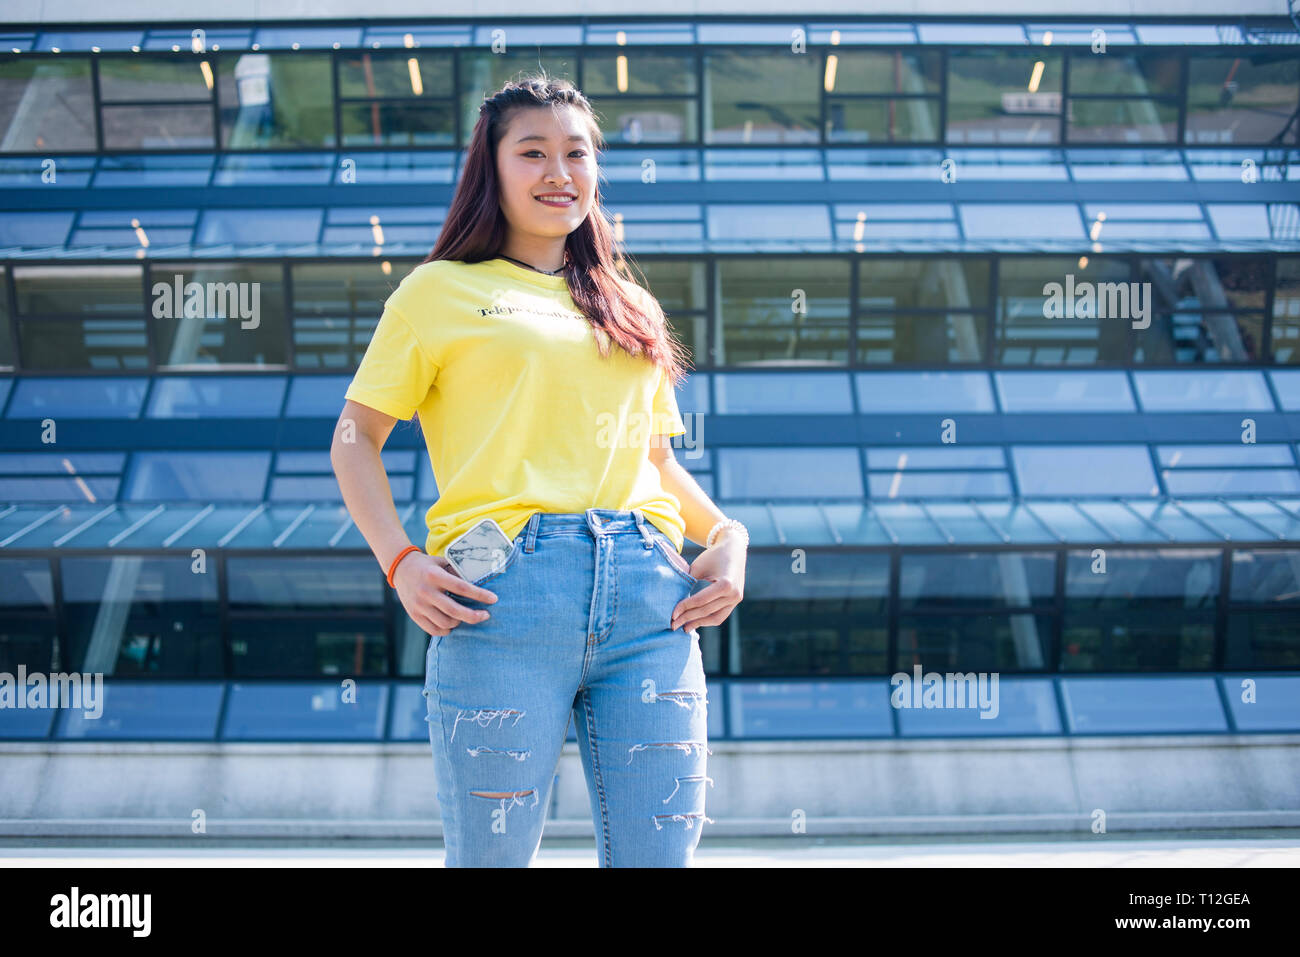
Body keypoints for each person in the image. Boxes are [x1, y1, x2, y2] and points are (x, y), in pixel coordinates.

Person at [330, 72, 748, 867]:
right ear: (491, 169)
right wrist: (401, 560)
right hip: (502, 595)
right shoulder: (436, 292)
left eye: (577, 153)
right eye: (533, 153)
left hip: (651, 602)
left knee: (659, 858)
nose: (560, 172)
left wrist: (727, 533)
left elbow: (652, 459)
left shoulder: (628, 305)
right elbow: (354, 438)